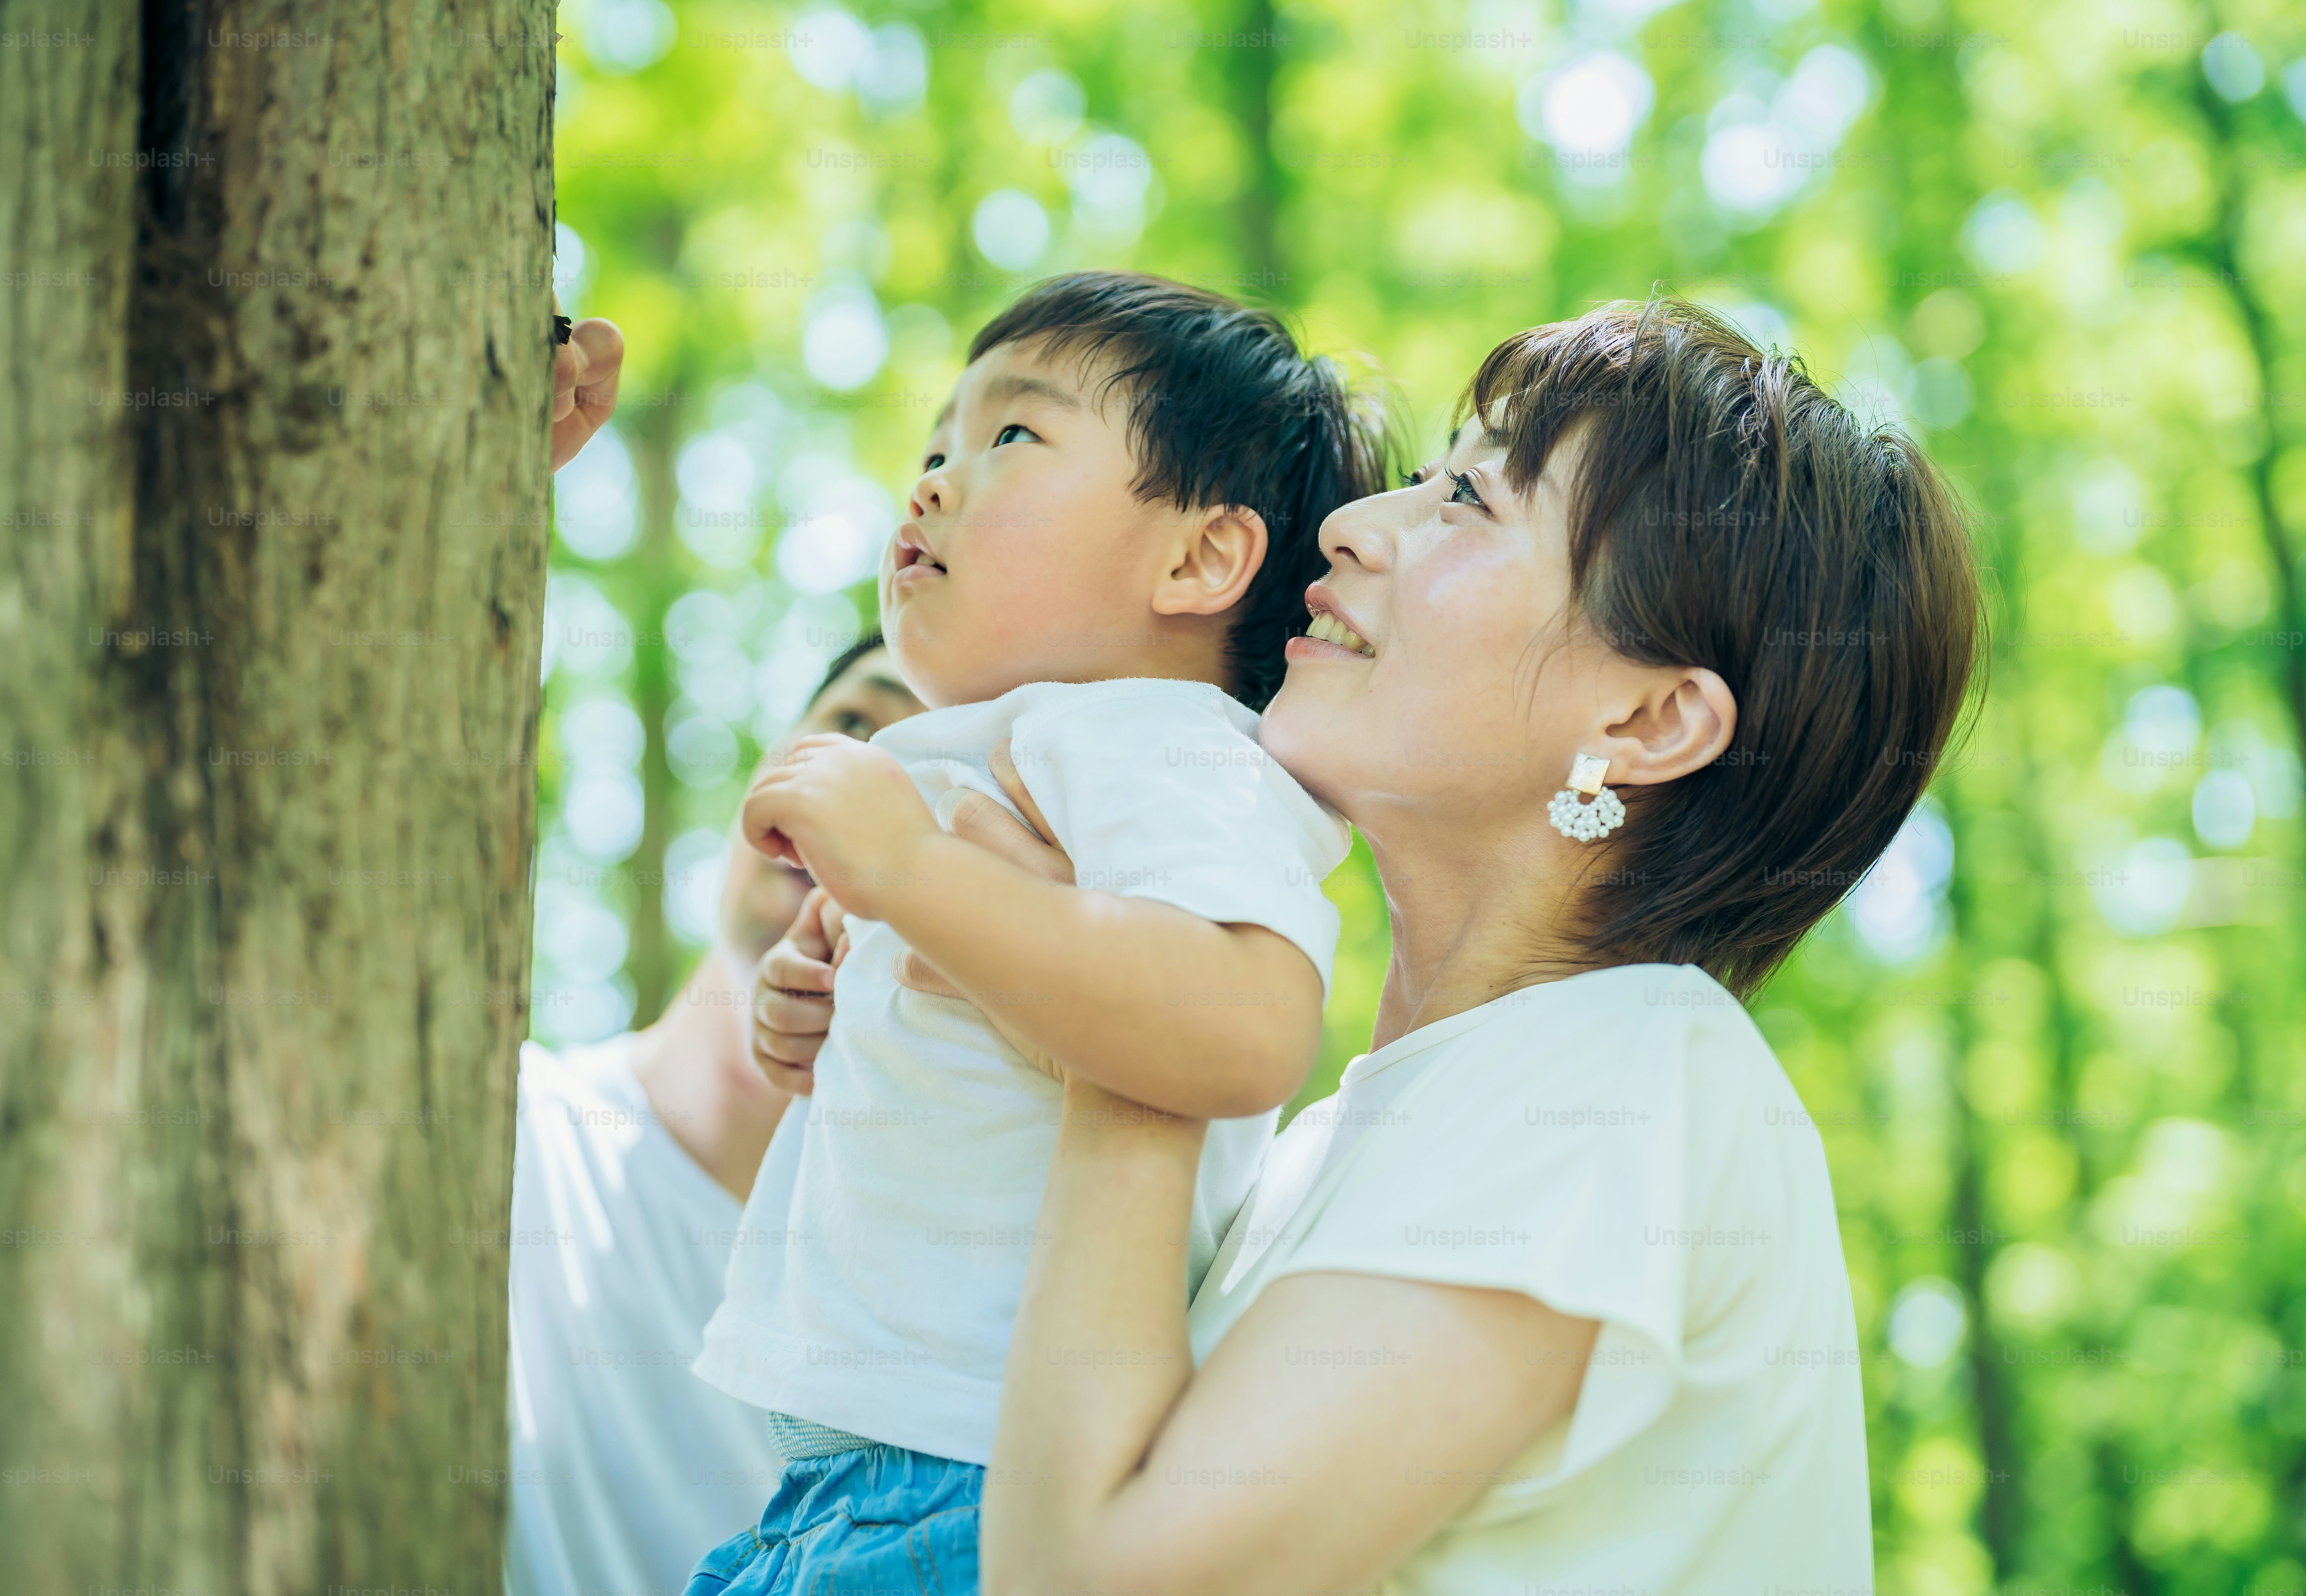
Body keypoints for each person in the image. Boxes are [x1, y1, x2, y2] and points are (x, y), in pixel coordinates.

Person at [768, 300, 1982, 1592]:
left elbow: (1090, 1579)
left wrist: (1114, 1028)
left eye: (1469, 500)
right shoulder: (1318, 1161)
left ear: (1647, 720)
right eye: (1418, 478)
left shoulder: (1625, 1080)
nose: (1354, 526)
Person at [684, 272, 1390, 1596]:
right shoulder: (1001, 751)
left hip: (974, 1487)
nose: (937, 480)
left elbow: (1241, 1029)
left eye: (1013, 437)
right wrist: (821, 1000)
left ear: (1198, 559)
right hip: (846, 1486)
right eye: (937, 445)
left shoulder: (1163, 740)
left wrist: (906, 872)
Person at [504, 637, 921, 1596]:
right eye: (853, 724)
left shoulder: (944, 1344)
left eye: (923, 775)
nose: (858, 781)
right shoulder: (501, 1135)